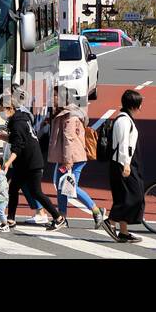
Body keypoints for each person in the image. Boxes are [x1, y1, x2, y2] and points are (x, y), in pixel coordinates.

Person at [0, 95, 64, 230]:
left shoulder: (17, 123)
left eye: (1, 109)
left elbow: (18, 146)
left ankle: (58, 217)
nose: (0, 112)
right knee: (13, 189)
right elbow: (19, 139)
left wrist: (7, 163)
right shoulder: (21, 119)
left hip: (31, 162)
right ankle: (10, 219)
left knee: (36, 192)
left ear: (9, 108)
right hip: (25, 162)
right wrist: (1, 136)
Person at [47, 87, 106, 228]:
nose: (52, 99)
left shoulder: (70, 116)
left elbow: (69, 139)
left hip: (74, 158)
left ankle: (97, 210)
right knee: (61, 187)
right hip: (67, 156)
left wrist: (68, 161)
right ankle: (62, 217)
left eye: (54, 96)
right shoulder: (64, 113)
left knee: (71, 187)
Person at [104, 89, 144, 243]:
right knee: (133, 196)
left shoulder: (127, 119)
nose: (141, 107)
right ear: (134, 105)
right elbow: (123, 145)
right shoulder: (123, 121)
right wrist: (126, 164)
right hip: (122, 164)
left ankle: (124, 231)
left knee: (125, 195)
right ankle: (111, 221)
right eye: (139, 104)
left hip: (126, 163)